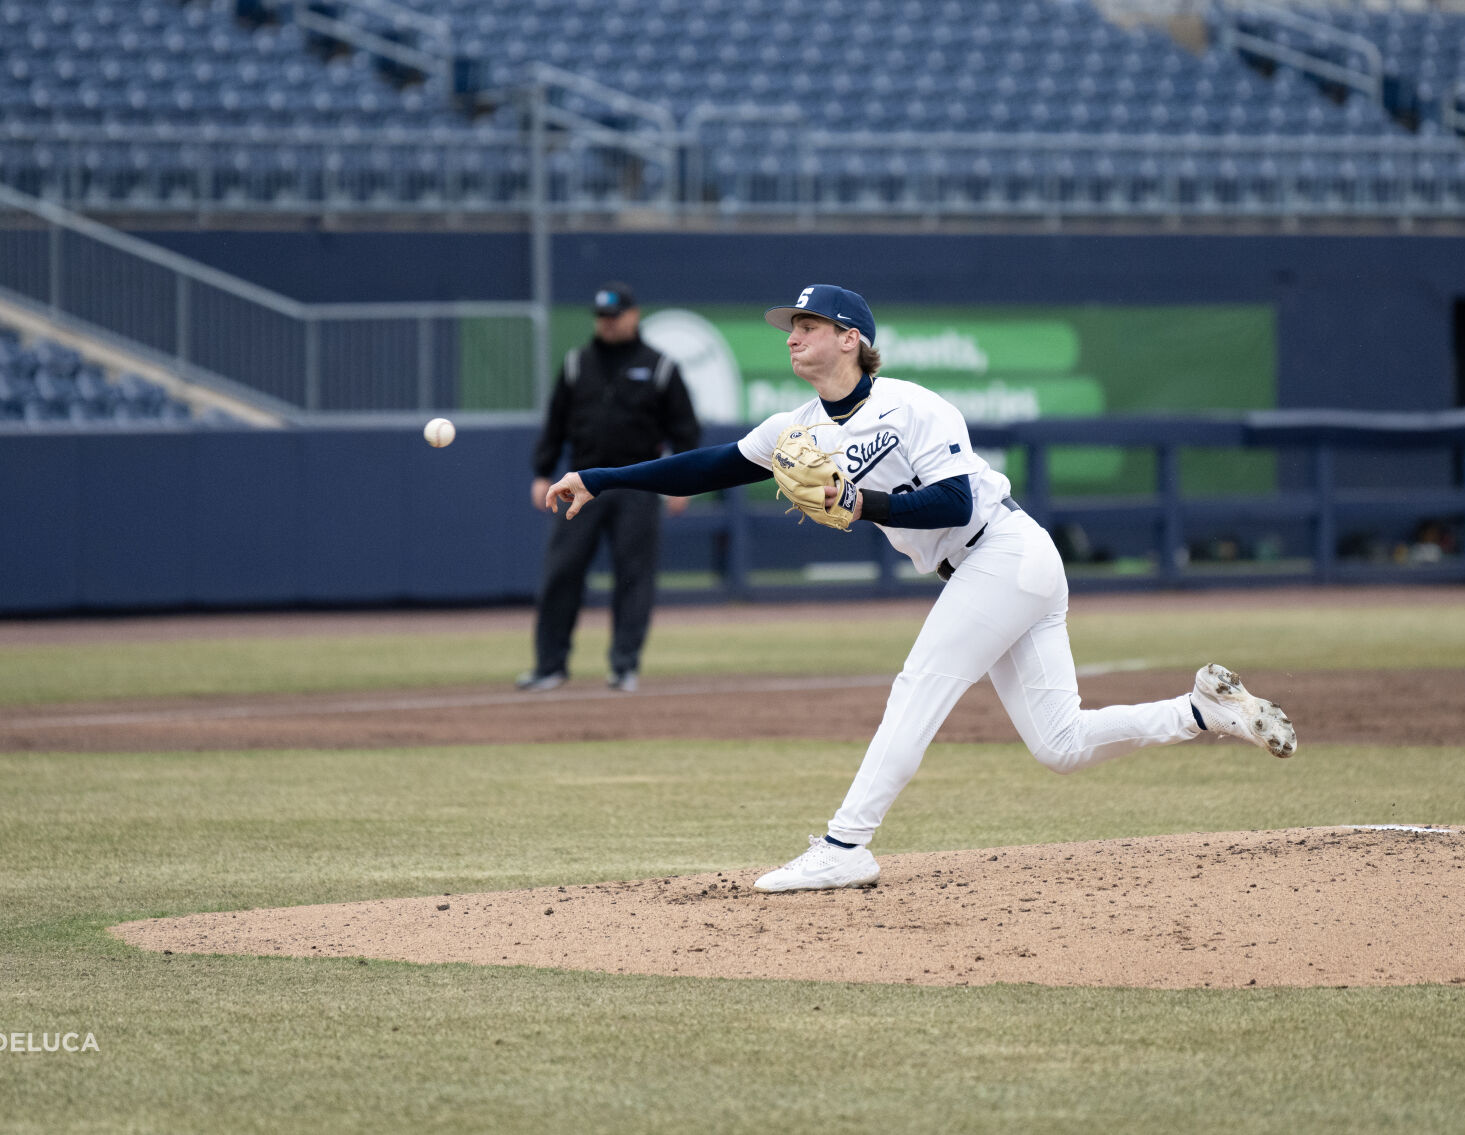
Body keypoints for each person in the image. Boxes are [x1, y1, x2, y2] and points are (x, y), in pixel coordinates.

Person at [542, 284, 1296, 892]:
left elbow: (956, 502)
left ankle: (844, 845)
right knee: (1060, 744)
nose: (791, 336)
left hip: (1001, 550)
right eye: (789, 327)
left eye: (807, 325)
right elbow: (706, 466)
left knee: (917, 687)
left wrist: (859, 501)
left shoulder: (911, 405)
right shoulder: (795, 430)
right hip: (992, 567)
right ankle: (1201, 710)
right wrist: (600, 479)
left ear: (850, 339)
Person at [521, 282, 701, 694]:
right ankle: (549, 665)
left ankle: (624, 666)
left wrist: (683, 483)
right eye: (602, 317)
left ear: (634, 315)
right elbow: (555, 423)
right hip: (580, 482)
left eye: (615, 316)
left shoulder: (659, 366)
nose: (607, 323)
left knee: (633, 577)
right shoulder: (576, 364)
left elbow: (685, 431)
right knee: (561, 572)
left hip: (638, 482)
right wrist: (542, 472)